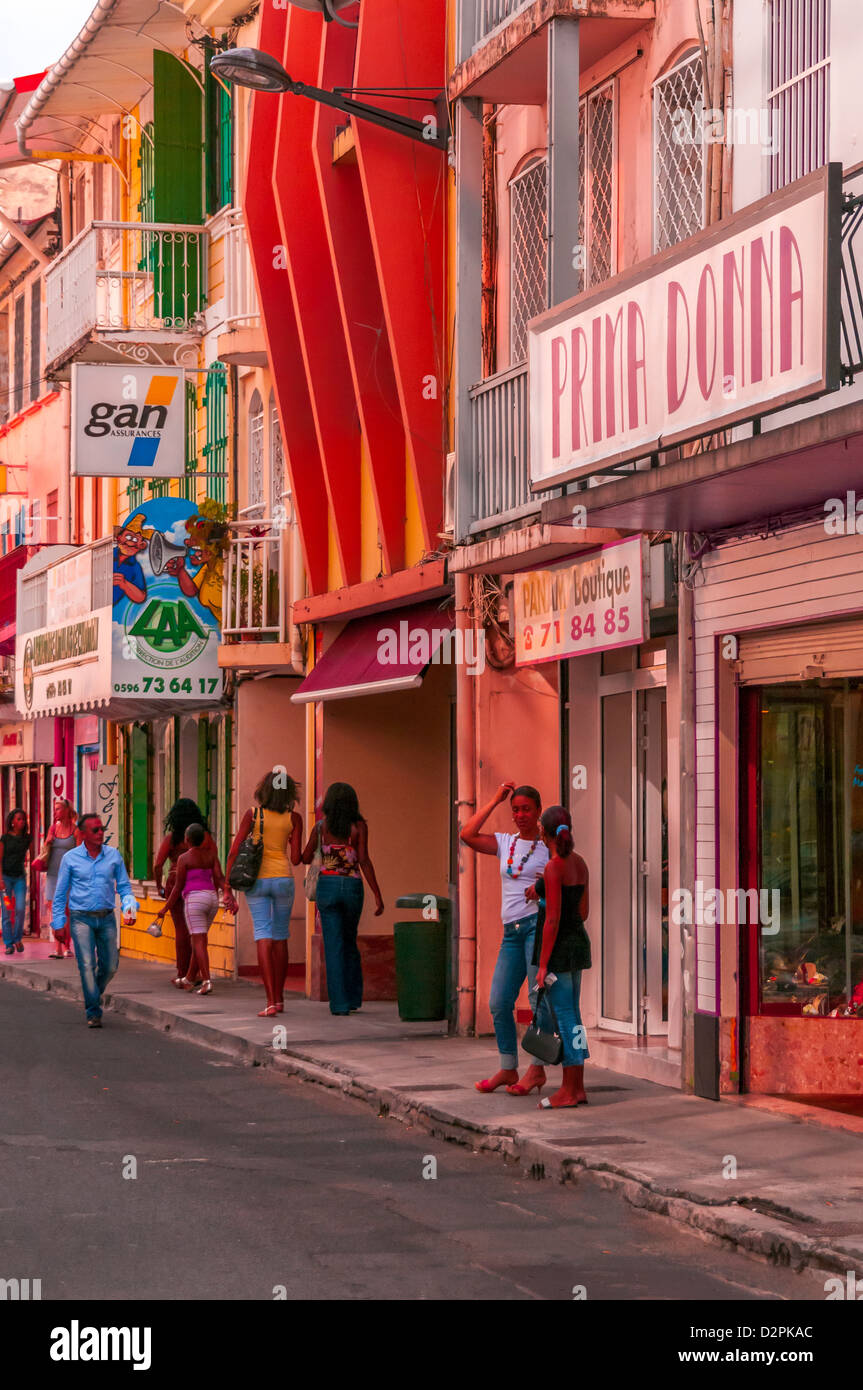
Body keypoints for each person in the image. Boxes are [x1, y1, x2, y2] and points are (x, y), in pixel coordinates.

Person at [460, 782, 549, 1094]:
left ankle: (536, 1069)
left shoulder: (548, 846)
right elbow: (467, 834)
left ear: (538, 810)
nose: (520, 814)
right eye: (516, 809)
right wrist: (495, 799)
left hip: (536, 927)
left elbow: (567, 877)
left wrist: (544, 887)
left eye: (526, 808)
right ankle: (508, 1068)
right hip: (511, 932)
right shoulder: (504, 843)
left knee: (538, 1000)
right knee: (498, 1002)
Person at [300, 782, 383, 1018]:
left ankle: (339, 1004)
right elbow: (364, 860)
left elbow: (305, 857)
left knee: (333, 946)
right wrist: (377, 894)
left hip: (327, 887)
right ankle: (354, 997)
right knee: (349, 942)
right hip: (352, 887)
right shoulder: (358, 827)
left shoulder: (321, 828)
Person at [527, 806, 591, 1110]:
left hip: (559, 952)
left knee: (565, 1017)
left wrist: (542, 965)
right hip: (578, 945)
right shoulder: (580, 863)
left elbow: (551, 920)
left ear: (544, 832)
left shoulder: (554, 868)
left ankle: (567, 1089)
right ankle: (578, 1087)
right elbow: (583, 912)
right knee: (574, 1018)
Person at [225, 771, 302, 1018]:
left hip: (257, 880)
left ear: (264, 791)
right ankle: (279, 999)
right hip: (283, 880)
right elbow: (298, 858)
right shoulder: (295, 818)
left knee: (263, 935)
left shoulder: (253, 814)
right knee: (280, 937)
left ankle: (269, 1002)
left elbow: (235, 850)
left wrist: (227, 886)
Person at [51, 815, 138, 1028]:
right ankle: (93, 1011)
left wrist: (129, 906)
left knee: (110, 967)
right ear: (83, 834)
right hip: (81, 918)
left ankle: (92, 994)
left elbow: (124, 887)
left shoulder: (113, 856)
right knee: (87, 965)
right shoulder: (70, 859)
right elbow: (60, 893)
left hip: (107, 917)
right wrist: (58, 923)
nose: (101, 833)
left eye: (102, 829)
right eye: (95, 830)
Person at [153, 824, 224, 995]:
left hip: (194, 900)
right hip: (212, 899)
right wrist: (228, 894)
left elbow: (177, 888)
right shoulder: (211, 855)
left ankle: (206, 980)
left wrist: (165, 908)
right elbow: (219, 878)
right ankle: (188, 977)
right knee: (200, 939)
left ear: (187, 840)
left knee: (198, 941)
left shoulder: (184, 859)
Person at [36, 798, 81, 959]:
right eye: (54, 809)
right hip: (53, 874)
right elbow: (45, 850)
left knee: (65, 911)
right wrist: (46, 842)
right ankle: (57, 949)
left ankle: (66, 946)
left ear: (67, 811)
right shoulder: (53, 828)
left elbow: (80, 854)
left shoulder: (76, 831)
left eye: (58, 809)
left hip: (68, 876)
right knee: (55, 911)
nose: (55, 812)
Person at [1, 809, 31, 955]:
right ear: (12, 821)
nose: (22, 822)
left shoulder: (27, 838)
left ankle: (17, 938)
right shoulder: (4, 838)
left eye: (23, 819)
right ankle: (8, 943)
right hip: (5, 879)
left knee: (20, 909)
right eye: (19, 819)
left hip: (19, 878)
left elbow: (41, 852)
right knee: (7, 910)